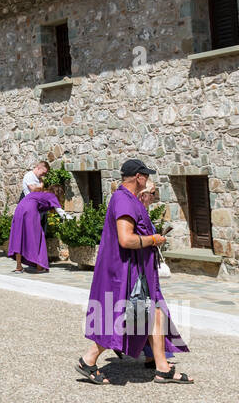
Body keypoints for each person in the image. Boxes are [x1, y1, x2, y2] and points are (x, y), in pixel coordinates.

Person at [76, 159, 192, 385]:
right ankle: (88, 360)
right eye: (146, 176)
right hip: (127, 273)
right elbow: (126, 239)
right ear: (138, 177)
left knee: (153, 314)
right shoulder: (124, 200)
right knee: (122, 317)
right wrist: (153, 240)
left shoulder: (126, 199)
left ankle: (162, 367)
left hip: (135, 271)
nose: (147, 181)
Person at [7, 188, 62, 273]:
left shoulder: (38, 194)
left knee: (19, 237)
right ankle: (39, 266)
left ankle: (19, 267)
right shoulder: (50, 195)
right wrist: (70, 219)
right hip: (29, 210)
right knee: (38, 236)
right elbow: (60, 210)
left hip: (19, 210)